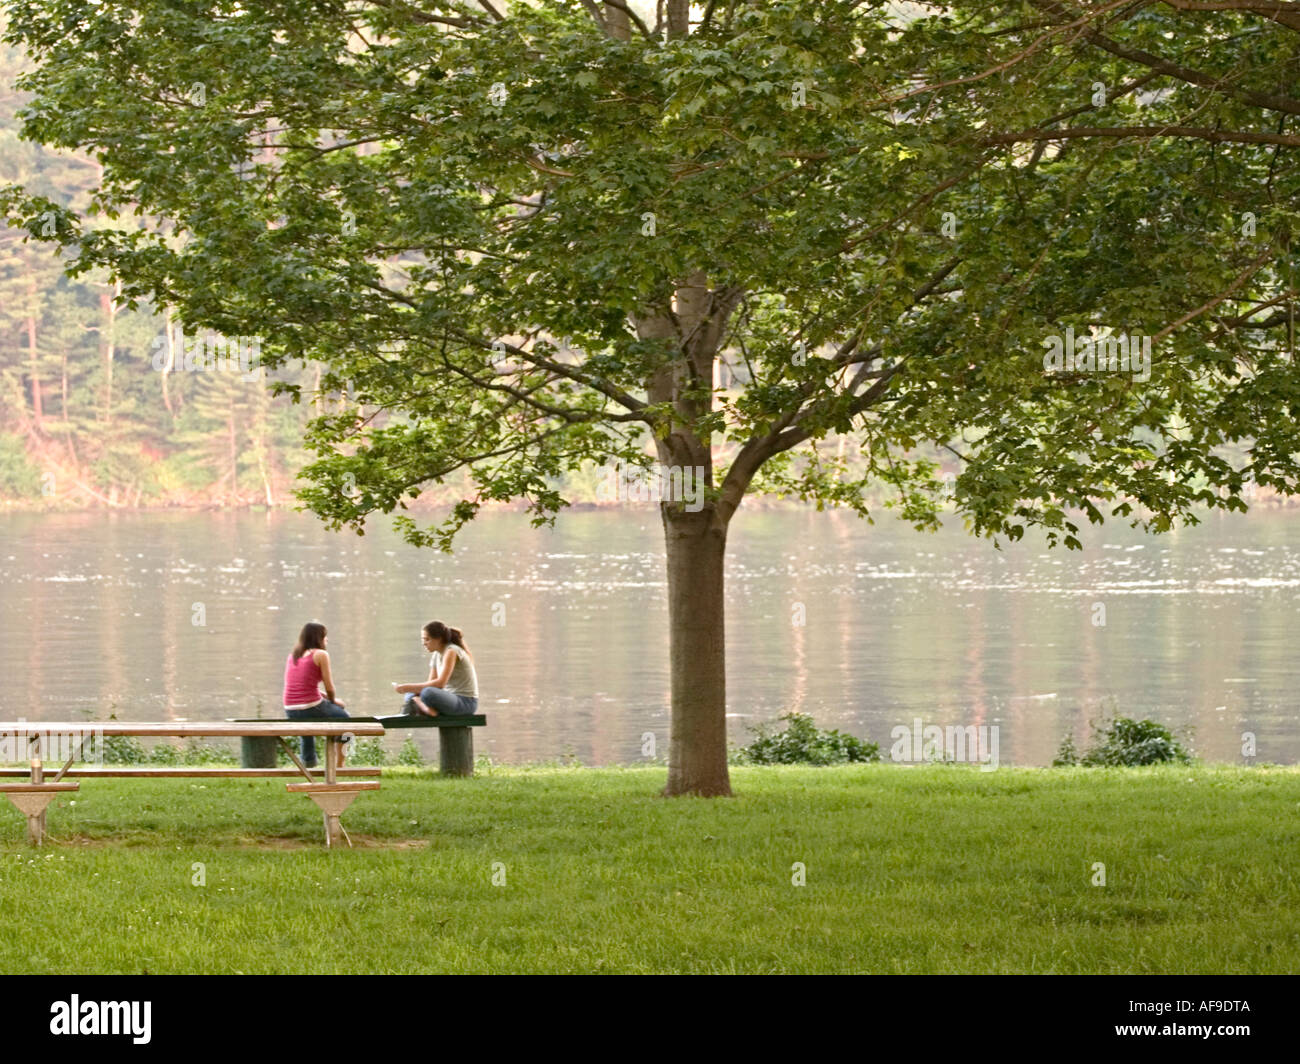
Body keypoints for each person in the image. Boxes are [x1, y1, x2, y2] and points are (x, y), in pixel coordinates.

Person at [282, 621, 351, 769]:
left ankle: (309, 766)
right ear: (318, 638)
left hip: (290, 708)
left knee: (306, 729)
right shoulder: (321, 655)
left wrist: (326, 698)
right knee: (347, 722)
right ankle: (340, 763)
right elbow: (329, 686)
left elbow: (300, 686)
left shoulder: (293, 655)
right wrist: (334, 701)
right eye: (325, 636)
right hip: (310, 706)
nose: (327, 640)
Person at [392, 621, 479, 717]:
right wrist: (410, 690)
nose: (424, 643)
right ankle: (426, 707)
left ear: (438, 639)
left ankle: (426, 708)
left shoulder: (451, 651)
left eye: (427, 639)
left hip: (466, 703)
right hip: (449, 700)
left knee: (427, 693)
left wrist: (407, 687)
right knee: (410, 694)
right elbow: (431, 682)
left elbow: (440, 684)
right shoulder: (436, 654)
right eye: (423, 640)